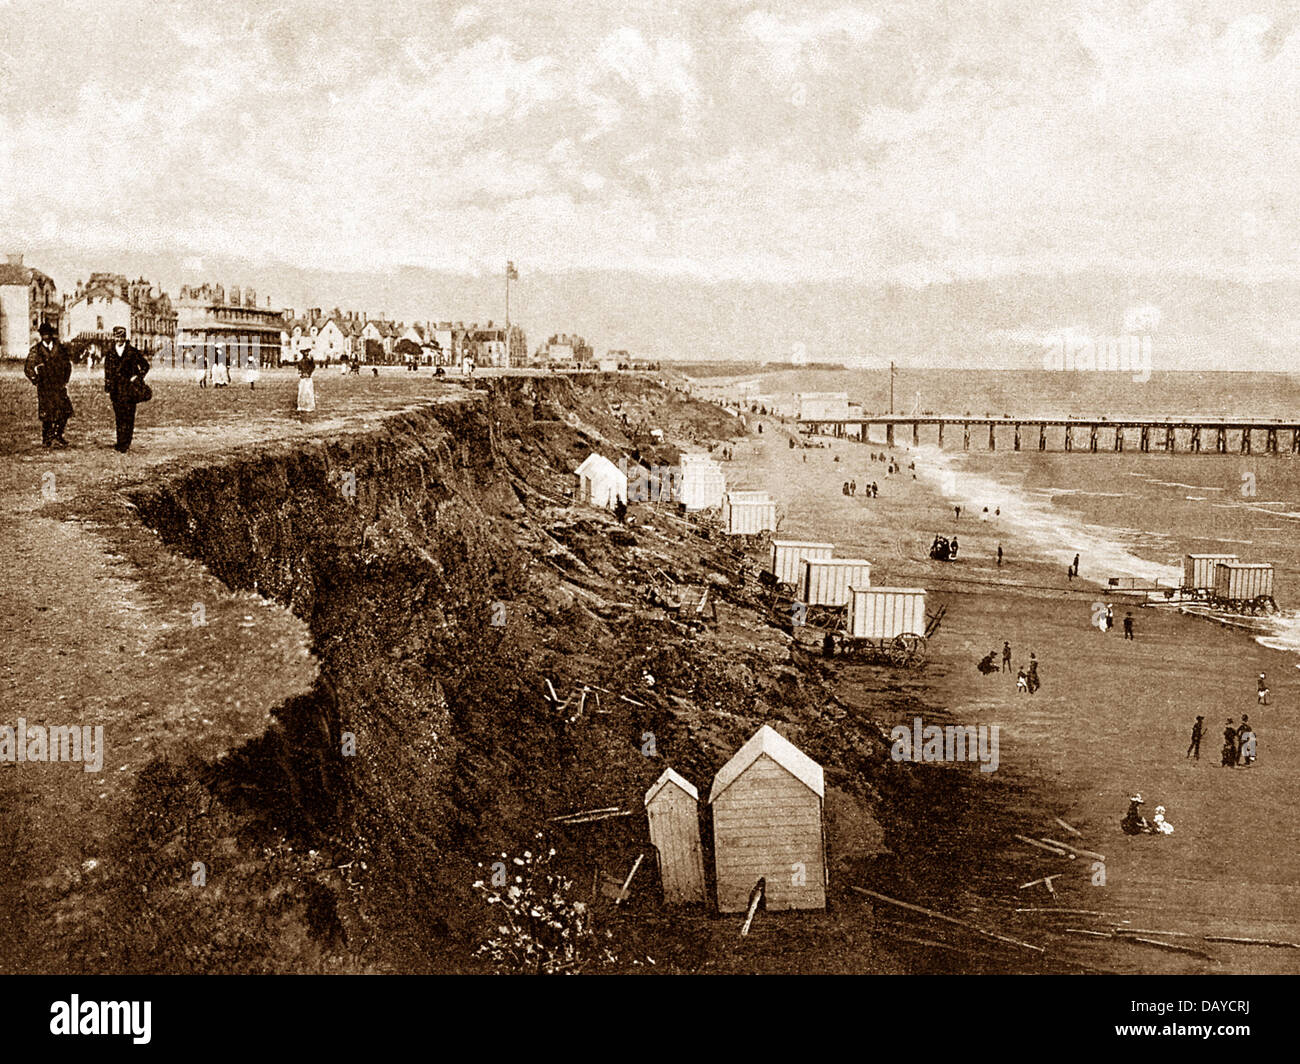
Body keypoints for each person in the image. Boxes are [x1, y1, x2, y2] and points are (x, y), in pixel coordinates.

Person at [24, 322, 73, 448]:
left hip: (58, 385)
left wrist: (65, 380)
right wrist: (35, 379)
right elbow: (28, 367)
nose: (46, 336)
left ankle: (58, 434)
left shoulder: (60, 348)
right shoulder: (36, 350)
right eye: (43, 334)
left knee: (65, 410)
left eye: (48, 334)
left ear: (52, 334)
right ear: (41, 335)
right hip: (44, 386)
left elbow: (68, 365)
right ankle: (47, 438)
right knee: (46, 413)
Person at [103, 326, 150, 453]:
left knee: (129, 416)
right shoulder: (110, 353)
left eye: (122, 337)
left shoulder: (132, 352)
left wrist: (137, 377)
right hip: (116, 390)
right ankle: (120, 442)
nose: (119, 339)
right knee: (119, 416)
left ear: (125, 337)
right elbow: (107, 371)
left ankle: (126, 442)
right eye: (117, 337)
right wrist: (108, 385)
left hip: (129, 389)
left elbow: (145, 365)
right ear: (114, 337)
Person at [296, 347, 317, 413]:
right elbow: (299, 369)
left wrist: (308, 373)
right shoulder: (300, 362)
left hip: (308, 378)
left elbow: (312, 367)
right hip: (303, 378)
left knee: (308, 392)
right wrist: (301, 373)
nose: (306, 353)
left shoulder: (310, 361)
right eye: (305, 352)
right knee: (302, 392)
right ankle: (301, 406)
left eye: (307, 352)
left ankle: (309, 406)